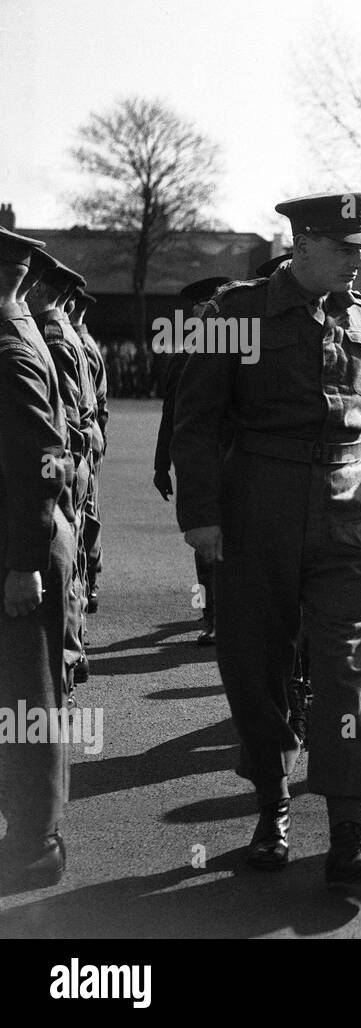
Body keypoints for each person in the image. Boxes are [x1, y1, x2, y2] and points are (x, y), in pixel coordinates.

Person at [171, 192, 361, 885]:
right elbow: (196, 422)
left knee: (343, 674)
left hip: (346, 510)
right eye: (346, 249)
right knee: (256, 667)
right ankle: (272, 807)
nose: (360, 262)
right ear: (301, 242)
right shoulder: (231, 316)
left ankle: (347, 832)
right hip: (257, 511)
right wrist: (201, 518)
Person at [0, 227, 76, 891]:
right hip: (19, 540)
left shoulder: (10, 345)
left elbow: (44, 460)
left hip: (22, 546)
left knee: (29, 699)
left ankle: (35, 845)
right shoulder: (15, 327)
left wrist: (23, 561)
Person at [25, 254, 99, 691]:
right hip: (73, 456)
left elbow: (64, 415)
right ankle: (71, 658)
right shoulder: (61, 331)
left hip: (62, 458)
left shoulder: (51, 333)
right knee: (70, 566)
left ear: (38, 289)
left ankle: (66, 666)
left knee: (60, 568)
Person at [154, 277, 233, 647]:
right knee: (204, 543)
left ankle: (236, 612)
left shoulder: (247, 351)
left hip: (240, 457)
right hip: (202, 459)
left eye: (207, 309)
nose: (201, 316)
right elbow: (172, 414)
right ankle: (211, 615)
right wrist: (160, 465)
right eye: (199, 310)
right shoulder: (185, 355)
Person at [67, 289, 108, 615]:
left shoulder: (76, 343)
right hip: (89, 439)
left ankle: (88, 583)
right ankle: (88, 582)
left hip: (79, 442)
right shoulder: (85, 342)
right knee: (86, 514)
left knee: (83, 518)